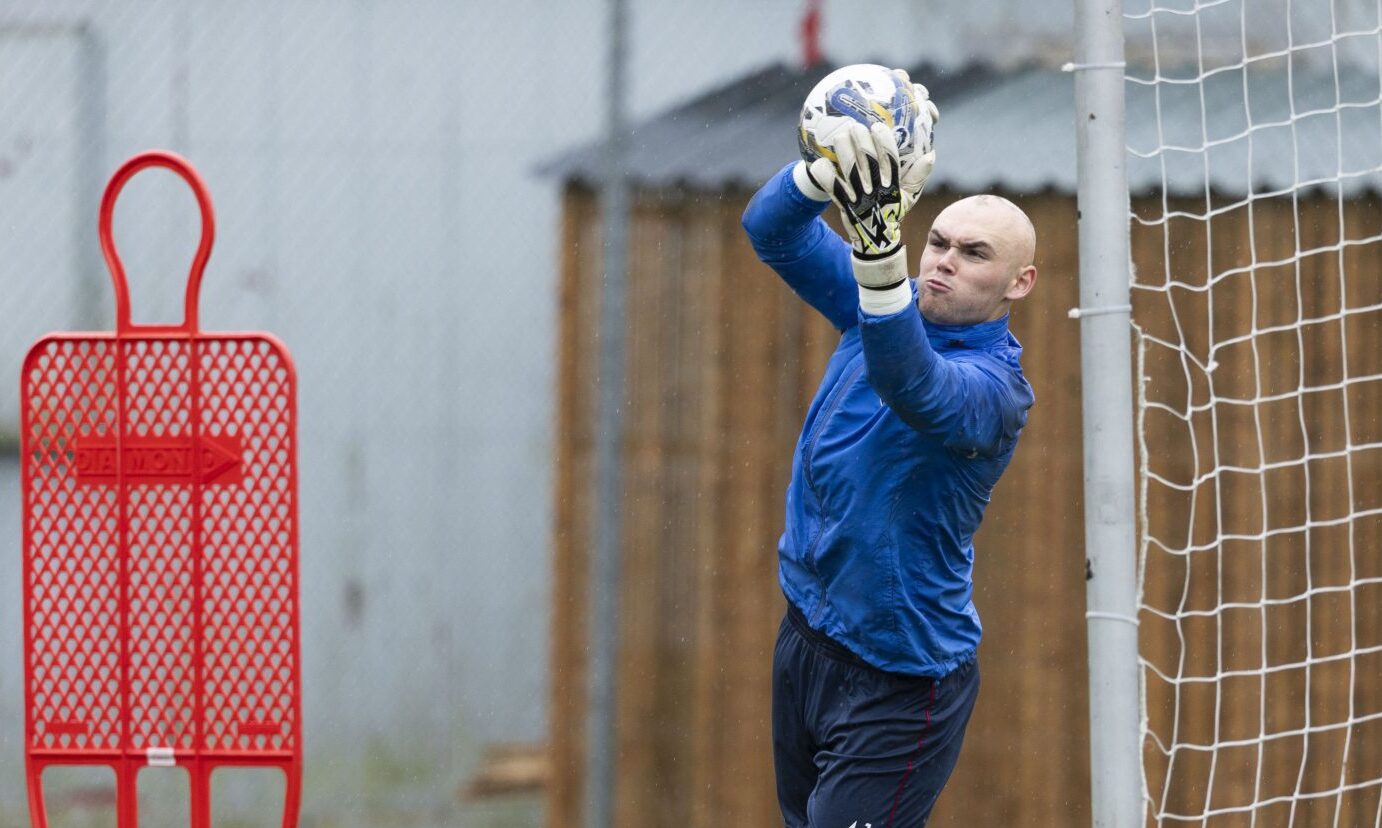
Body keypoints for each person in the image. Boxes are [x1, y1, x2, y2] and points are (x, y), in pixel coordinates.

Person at [740, 75, 1037, 827]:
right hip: (807, 638)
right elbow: (771, 230)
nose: (942, 260)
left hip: (902, 681)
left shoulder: (996, 390)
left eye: (974, 254)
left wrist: (879, 255)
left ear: (1019, 282)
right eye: (936, 240)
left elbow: (913, 383)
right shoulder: (879, 302)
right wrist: (827, 170)